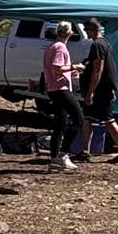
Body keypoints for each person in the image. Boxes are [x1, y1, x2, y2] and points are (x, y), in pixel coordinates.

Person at [74, 17, 118, 163]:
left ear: (92, 30)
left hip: (100, 91)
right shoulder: (105, 44)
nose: (86, 34)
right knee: (88, 119)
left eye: (87, 31)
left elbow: (98, 69)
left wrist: (91, 91)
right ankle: (85, 151)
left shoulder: (98, 45)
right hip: (102, 88)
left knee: (108, 120)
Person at [43, 21, 85, 171]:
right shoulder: (61, 47)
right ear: (69, 33)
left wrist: (70, 72)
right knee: (78, 119)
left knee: (59, 123)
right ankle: (63, 154)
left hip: (53, 88)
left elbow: (55, 70)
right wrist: (75, 66)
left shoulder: (51, 47)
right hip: (61, 89)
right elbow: (56, 68)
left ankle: (54, 158)